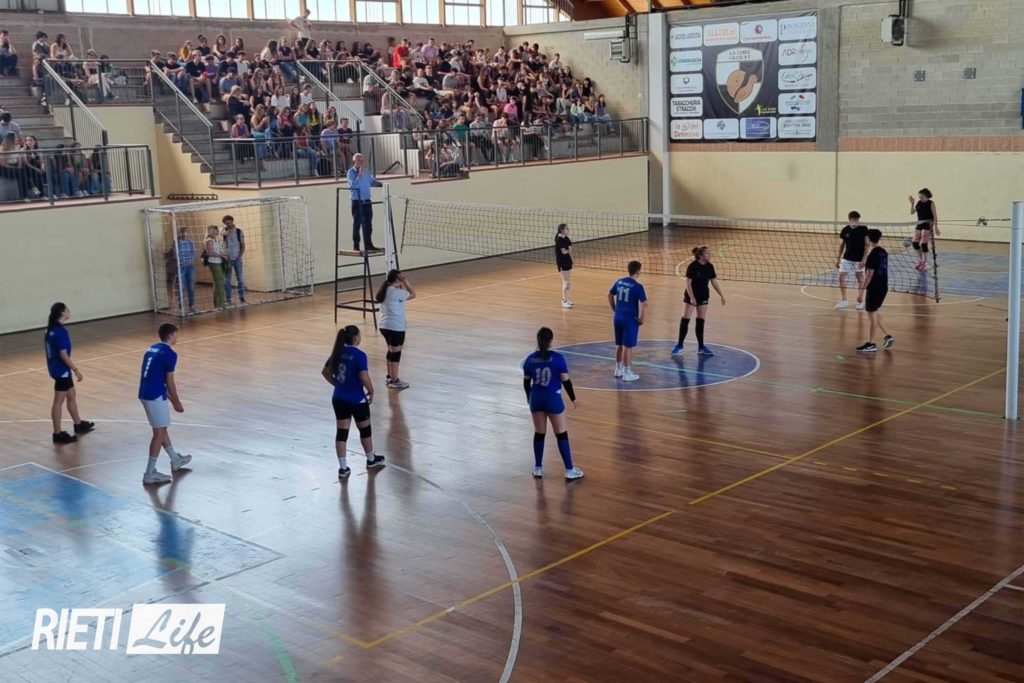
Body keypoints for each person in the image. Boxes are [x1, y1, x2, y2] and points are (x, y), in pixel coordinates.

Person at [321, 325, 386, 480]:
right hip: (357, 399)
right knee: (365, 430)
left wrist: (338, 385)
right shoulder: (359, 355)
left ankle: (343, 468)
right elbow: (364, 377)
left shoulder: (337, 353)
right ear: (356, 338)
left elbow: (325, 372)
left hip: (339, 398)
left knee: (342, 433)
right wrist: (371, 390)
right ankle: (371, 459)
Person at [522, 327, 583, 480]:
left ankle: (538, 468)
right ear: (550, 341)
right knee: (561, 434)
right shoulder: (558, 358)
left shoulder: (529, 359)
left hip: (536, 399)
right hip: (553, 399)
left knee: (539, 434)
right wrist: (573, 398)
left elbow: (526, 383)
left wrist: (529, 398)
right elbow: (565, 380)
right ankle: (569, 469)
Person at [139, 323, 192, 485]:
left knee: (161, 428)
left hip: (145, 392)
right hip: (154, 395)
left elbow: (155, 377)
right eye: (176, 334)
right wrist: (177, 402)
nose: (177, 337)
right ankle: (149, 473)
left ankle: (175, 459)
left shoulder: (152, 348)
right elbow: (170, 382)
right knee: (159, 432)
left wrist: (170, 398)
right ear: (171, 335)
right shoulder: (170, 354)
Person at [44, 303, 95, 444]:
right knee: (58, 402)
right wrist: (75, 370)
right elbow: (63, 354)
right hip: (62, 371)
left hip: (57, 369)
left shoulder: (50, 329)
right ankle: (57, 433)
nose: (69, 311)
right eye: (67, 310)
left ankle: (78, 423)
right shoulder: (60, 332)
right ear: (61, 313)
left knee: (71, 395)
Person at [672, 246, 725, 356]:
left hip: (703, 296)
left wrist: (721, 295)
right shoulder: (693, 266)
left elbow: (714, 281)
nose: (709, 255)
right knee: (685, 319)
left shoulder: (709, 266)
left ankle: (701, 347)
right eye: (707, 254)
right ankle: (679, 345)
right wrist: (692, 298)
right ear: (700, 256)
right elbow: (688, 283)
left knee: (700, 321)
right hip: (691, 295)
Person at [375, 270, 416, 390]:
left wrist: (401, 282)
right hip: (395, 327)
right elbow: (413, 294)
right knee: (396, 353)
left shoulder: (384, 290)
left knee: (391, 350)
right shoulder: (396, 292)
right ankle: (394, 380)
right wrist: (406, 281)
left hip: (384, 326)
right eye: (402, 277)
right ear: (397, 279)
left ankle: (390, 376)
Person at [607, 260, 647, 382]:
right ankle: (627, 372)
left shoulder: (619, 281)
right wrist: (642, 319)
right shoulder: (638, 286)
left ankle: (618, 369)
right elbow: (644, 304)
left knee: (619, 344)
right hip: (629, 319)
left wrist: (614, 308)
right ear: (638, 271)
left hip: (617, 317)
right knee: (627, 347)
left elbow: (609, 294)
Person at [857, 229, 895, 352]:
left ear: (869, 239)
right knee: (874, 312)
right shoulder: (883, 252)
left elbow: (869, 276)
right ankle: (887, 335)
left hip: (874, 287)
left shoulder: (872, 254)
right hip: (884, 286)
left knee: (871, 315)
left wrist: (861, 292)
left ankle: (871, 343)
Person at [347, 153, 383, 253]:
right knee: (357, 224)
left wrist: (382, 184)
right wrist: (360, 174)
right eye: (359, 160)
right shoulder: (351, 172)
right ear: (354, 161)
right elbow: (353, 185)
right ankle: (356, 246)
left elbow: (372, 182)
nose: (361, 163)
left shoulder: (366, 171)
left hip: (367, 201)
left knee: (368, 224)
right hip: (357, 201)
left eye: (362, 160)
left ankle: (368, 244)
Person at [835, 211, 869, 310]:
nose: (856, 221)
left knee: (860, 278)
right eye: (854, 220)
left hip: (859, 259)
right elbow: (842, 245)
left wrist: (864, 259)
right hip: (847, 258)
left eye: (857, 220)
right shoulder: (845, 230)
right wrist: (838, 259)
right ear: (849, 220)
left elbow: (867, 245)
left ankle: (861, 301)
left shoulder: (864, 229)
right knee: (842, 277)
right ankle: (844, 300)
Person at [908, 188, 939, 271]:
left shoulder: (931, 203)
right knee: (914, 243)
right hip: (919, 224)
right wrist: (912, 203)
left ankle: (924, 263)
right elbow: (912, 212)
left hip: (927, 224)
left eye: (921, 197)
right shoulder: (919, 203)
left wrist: (936, 228)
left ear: (926, 196)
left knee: (923, 244)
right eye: (919, 197)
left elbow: (935, 216)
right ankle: (921, 260)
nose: (920, 198)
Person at [222, 215, 246, 305]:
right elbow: (224, 233)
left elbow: (243, 245)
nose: (229, 224)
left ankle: (242, 297)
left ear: (233, 221)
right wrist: (228, 229)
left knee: (240, 278)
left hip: (237, 258)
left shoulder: (239, 231)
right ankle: (228, 299)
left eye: (230, 222)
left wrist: (240, 256)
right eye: (227, 223)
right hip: (228, 259)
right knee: (227, 279)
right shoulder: (223, 230)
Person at [203, 224, 227, 308]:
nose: (216, 231)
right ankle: (219, 303)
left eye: (216, 230)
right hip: (214, 263)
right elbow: (210, 252)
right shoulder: (209, 240)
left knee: (220, 282)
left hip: (219, 262)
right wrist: (221, 256)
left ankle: (220, 302)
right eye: (214, 230)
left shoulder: (215, 240)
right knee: (219, 283)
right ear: (210, 231)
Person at [554, 223, 573, 309]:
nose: (568, 230)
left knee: (567, 281)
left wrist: (568, 249)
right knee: (565, 282)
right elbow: (564, 252)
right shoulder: (559, 240)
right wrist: (568, 249)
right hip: (562, 263)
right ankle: (564, 300)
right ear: (562, 230)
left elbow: (569, 248)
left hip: (568, 261)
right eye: (566, 228)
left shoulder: (566, 238)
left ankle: (565, 299)